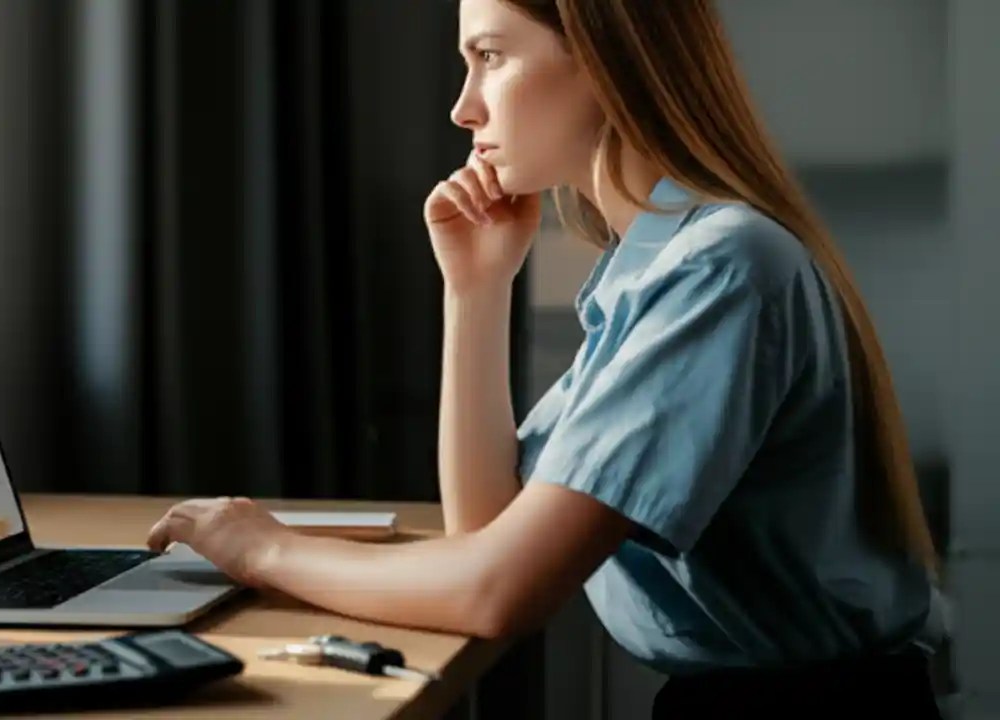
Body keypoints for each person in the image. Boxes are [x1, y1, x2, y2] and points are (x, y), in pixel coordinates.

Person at [146, 0, 945, 716]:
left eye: (489, 57)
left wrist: (264, 548)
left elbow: (499, 592)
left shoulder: (719, 268)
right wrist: (477, 289)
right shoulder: (653, 267)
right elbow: (485, 532)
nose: (463, 107)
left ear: (605, 58)